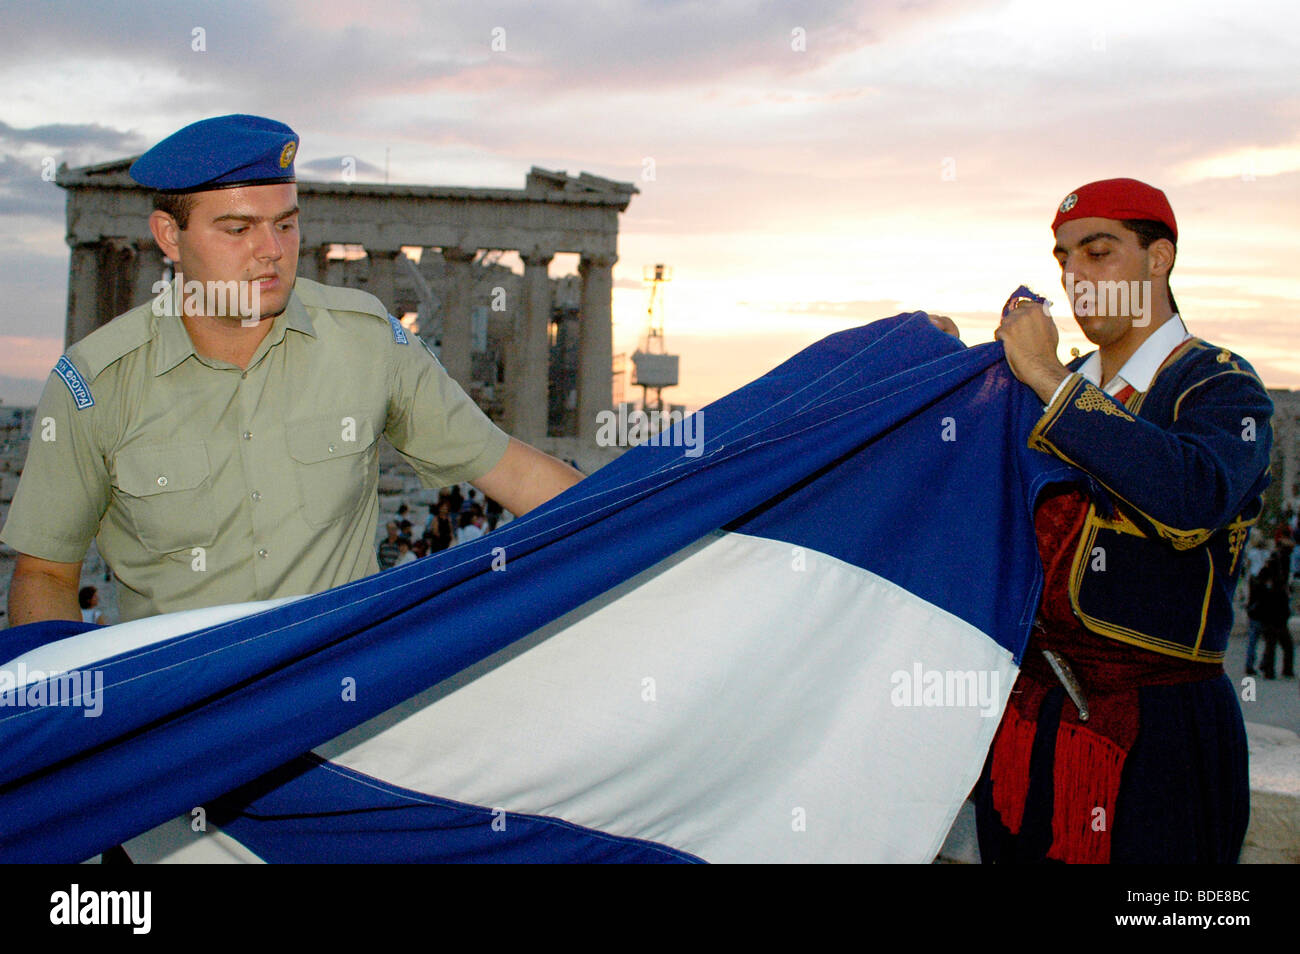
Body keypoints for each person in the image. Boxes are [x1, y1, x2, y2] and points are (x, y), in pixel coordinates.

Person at [2, 114, 583, 626]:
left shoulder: (367, 340)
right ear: (169, 237)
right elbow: (45, 575)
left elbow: (512, 471)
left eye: (285, 223)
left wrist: (655, 523)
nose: (272, 249)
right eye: (238, 229)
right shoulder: (95, 383)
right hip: (183, 719)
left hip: (340, 704)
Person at [957, 178, 1272, 863]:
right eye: (1064, 258)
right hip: (1029, 724)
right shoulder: (1046, 385)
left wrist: (1044, 375)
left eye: (1098, 252)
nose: (1074, 275)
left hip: (1161, 737)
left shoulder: (1221, 386)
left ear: (1158, 260)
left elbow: (1190, 499)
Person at [1257, 527, 1295, 680]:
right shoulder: (1278, 561)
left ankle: (1269, 668)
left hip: (1272, 610)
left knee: (1273, 643)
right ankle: (1274, 669)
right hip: (1276, 611)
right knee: (1281, 643)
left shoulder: (1275, 561)